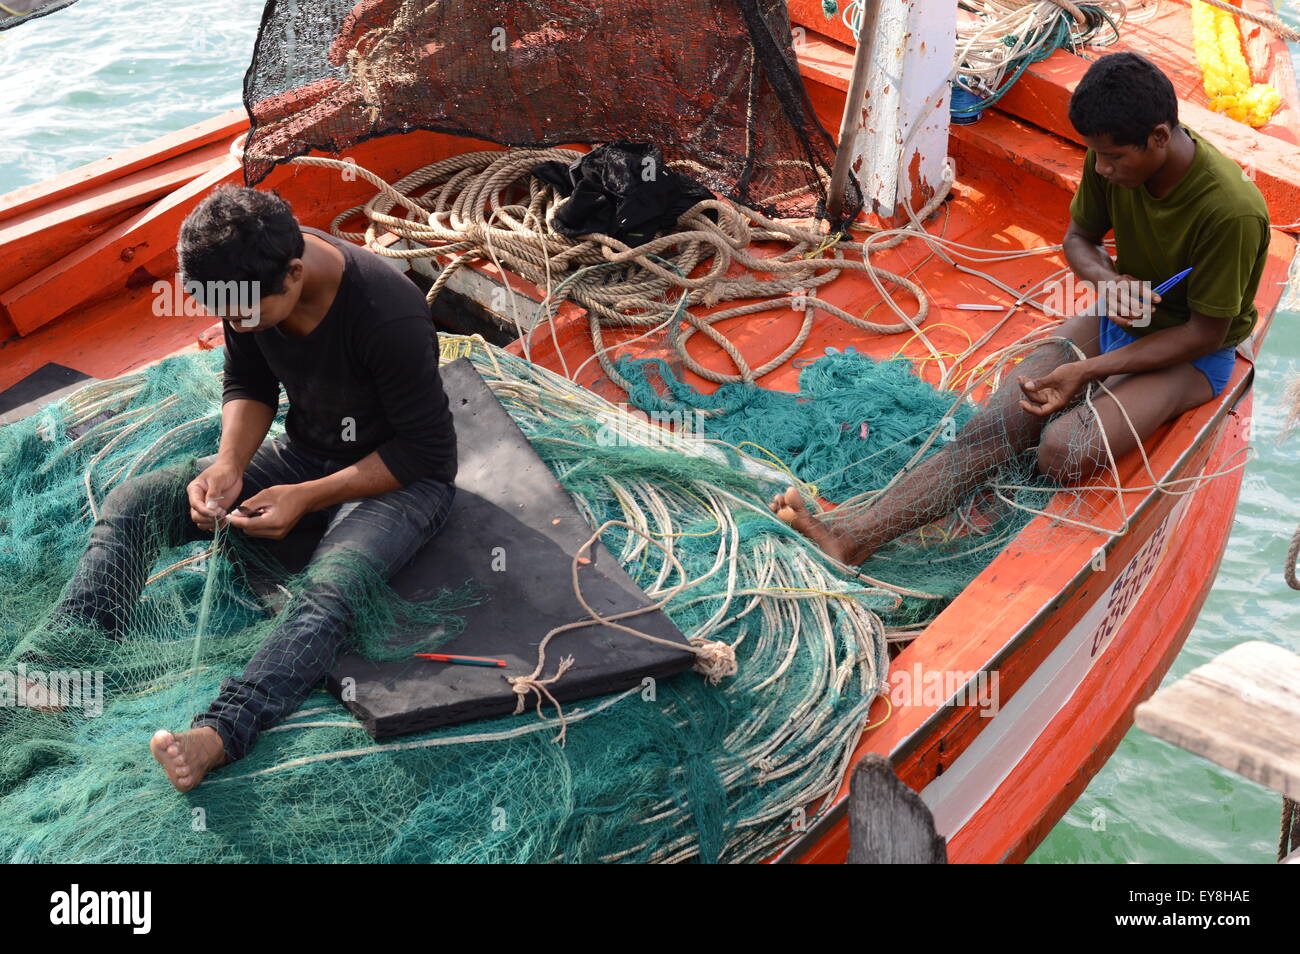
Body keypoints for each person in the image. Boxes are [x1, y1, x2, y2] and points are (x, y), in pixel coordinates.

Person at [22, 184, 458, 791]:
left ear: (295, 273)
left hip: (400, 479)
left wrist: (307, 497)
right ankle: (65, 660)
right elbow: (248, 380)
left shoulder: (390, 315)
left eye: (243, 313)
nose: (234, 323)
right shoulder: (246, 293)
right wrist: (229, 464)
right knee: (138, 502)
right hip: (309, 452)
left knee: (330, 588)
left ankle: (221, 733)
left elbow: (429, 452)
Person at [772, 51, 1270, 567]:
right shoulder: (1112, 151)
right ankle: (853, 538)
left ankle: (1102, 400)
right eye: (1096, 155)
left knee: (1061, 451)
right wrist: (1107, 280)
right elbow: (1080, 238)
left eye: (1115, 158)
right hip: (1118, 321)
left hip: (1188, 356)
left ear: (1160, 137)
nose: (1102, 168)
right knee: (1000, 423)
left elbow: (1205, 334)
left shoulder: (1230, 211)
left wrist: (1088, 371)